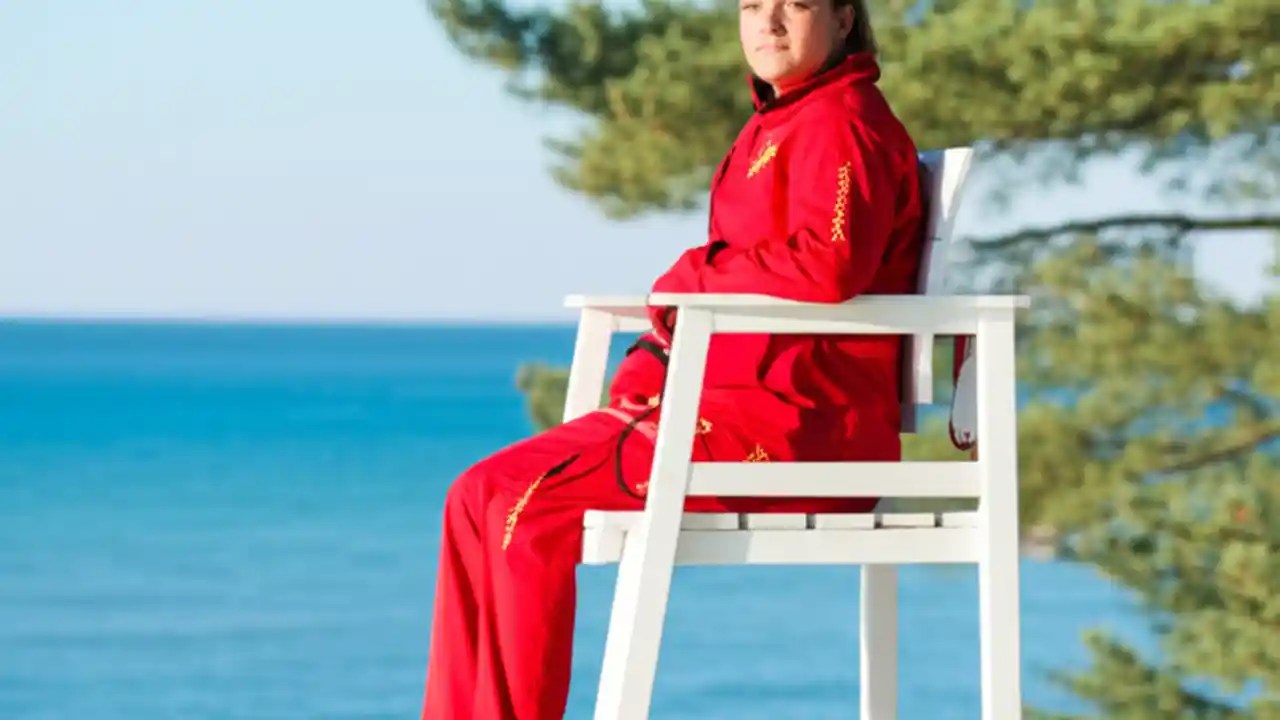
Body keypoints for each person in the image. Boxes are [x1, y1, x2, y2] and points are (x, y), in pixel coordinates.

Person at [420, 0, 924, 716]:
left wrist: (692, 273)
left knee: (520, 507)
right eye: (754, 5)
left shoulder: (844, 121)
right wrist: (650, 362)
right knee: (476, 495)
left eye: (796, 6)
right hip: (719, 408)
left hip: (796, 431)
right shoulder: (772, 125)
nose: (769, 24)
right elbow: (734, 289)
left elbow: (833, 266)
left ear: (844, 18)